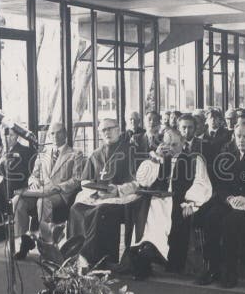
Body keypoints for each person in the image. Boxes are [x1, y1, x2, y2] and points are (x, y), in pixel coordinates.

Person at [121, 128, 212, 279]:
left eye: (175, 144)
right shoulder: (157, 158)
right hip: (156, 199)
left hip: (179, 201)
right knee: (147, 208)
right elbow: (143, 180)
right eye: (167, 144)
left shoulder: (194, 159)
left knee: (160, 213)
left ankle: (149, 253)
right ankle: (144, 249)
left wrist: (191, 202)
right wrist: (156, 158)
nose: (171, 148)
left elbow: (202, 184)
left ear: (183, 143)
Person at [196, 123, 245, 287]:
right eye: (238, 136)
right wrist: (231, 198)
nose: (241, 140)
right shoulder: (228, 155)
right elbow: (221, 186)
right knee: (211, 218)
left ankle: (230, 271)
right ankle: (213, 267)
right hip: (231, 202)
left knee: (230, 222)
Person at [70, 119, 140, 264]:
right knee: (76, 208)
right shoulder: (96, 154)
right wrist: (95, 191)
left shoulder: (131, 150)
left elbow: (138, 182)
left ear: (118, 129)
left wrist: (117, 191)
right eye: (103, 130)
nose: (107, 132)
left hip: (121, 197)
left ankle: (95, 258)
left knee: (101, 211)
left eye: (110, 128)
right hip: (99, 196)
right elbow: (85, 181)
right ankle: (73, 253)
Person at [13, 123, 85, 259]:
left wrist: (59, 186)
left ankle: (47, 243)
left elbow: (77, 179)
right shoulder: (43, 154)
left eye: (58, 133)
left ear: (65, 134)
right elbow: (33, 175)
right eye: (52, 133)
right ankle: (24, 240)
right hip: (42, 191)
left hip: (60, 194)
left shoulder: (75, 154)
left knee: (43, 201)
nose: (55, 136)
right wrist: (33, 182)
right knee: (18, 200)